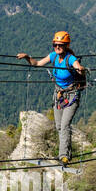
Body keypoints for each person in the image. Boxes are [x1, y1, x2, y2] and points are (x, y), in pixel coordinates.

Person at [17, 31, 86, 162]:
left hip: (71, 96)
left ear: (66, 45)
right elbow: (37, 64)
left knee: (65, 125)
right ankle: (67, 153)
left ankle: (63, 155)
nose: (57, 47)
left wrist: (80, 69)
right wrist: (27, 57)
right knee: (59, 126)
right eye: (55, 45)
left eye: (60, 45)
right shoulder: (53, 56)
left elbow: (77, 66)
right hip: (59, 95)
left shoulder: (70, 58)